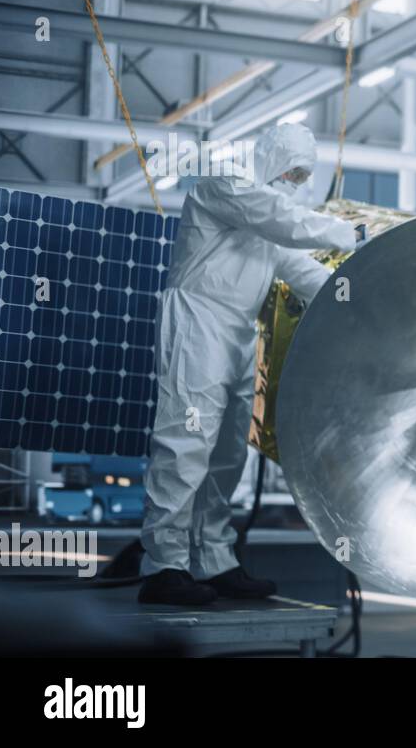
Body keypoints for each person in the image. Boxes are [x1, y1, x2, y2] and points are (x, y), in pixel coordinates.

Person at [139, 123, 367, 605]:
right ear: (268, 160)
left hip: (240, 333)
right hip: (198, 320)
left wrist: (364, 296)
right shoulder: (223, 187)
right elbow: (281, 218)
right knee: (185, 441)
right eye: (290, 169)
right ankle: (164, 564)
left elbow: (305, 271)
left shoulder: (268, 227)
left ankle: (214, 559)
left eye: (303, 174)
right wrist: (352, 234)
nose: (295, 180)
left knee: (226, 453)